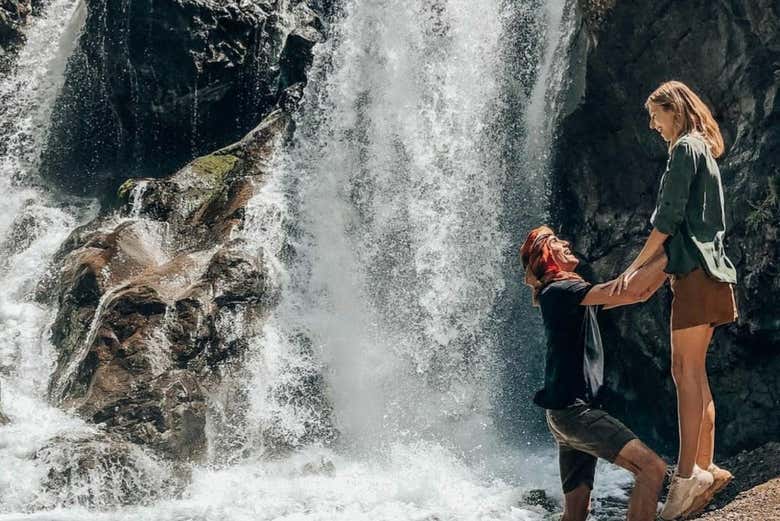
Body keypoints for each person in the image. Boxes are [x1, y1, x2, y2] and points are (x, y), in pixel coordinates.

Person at [608, 80, 738, 519]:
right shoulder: (704, 149)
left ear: (674, 110)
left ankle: (685, 480)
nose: (652, 125)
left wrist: (633, 267)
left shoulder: (684, 148)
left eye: (655, 115)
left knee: (684, 372)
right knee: (695, 373)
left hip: (696, 277)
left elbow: (667, 218)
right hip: (713, 275)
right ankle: (706, 468)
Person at [520, 225, 668, 521]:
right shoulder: (560, 291)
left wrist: (668, 256)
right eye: (555, 241)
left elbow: (639, 293)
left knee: (576, 513)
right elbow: (630, 290)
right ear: (545, 256)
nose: (566, 242)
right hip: (576, 414)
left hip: (564, 415)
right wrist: (676, 247)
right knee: (652, 469)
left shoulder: (566, 293)